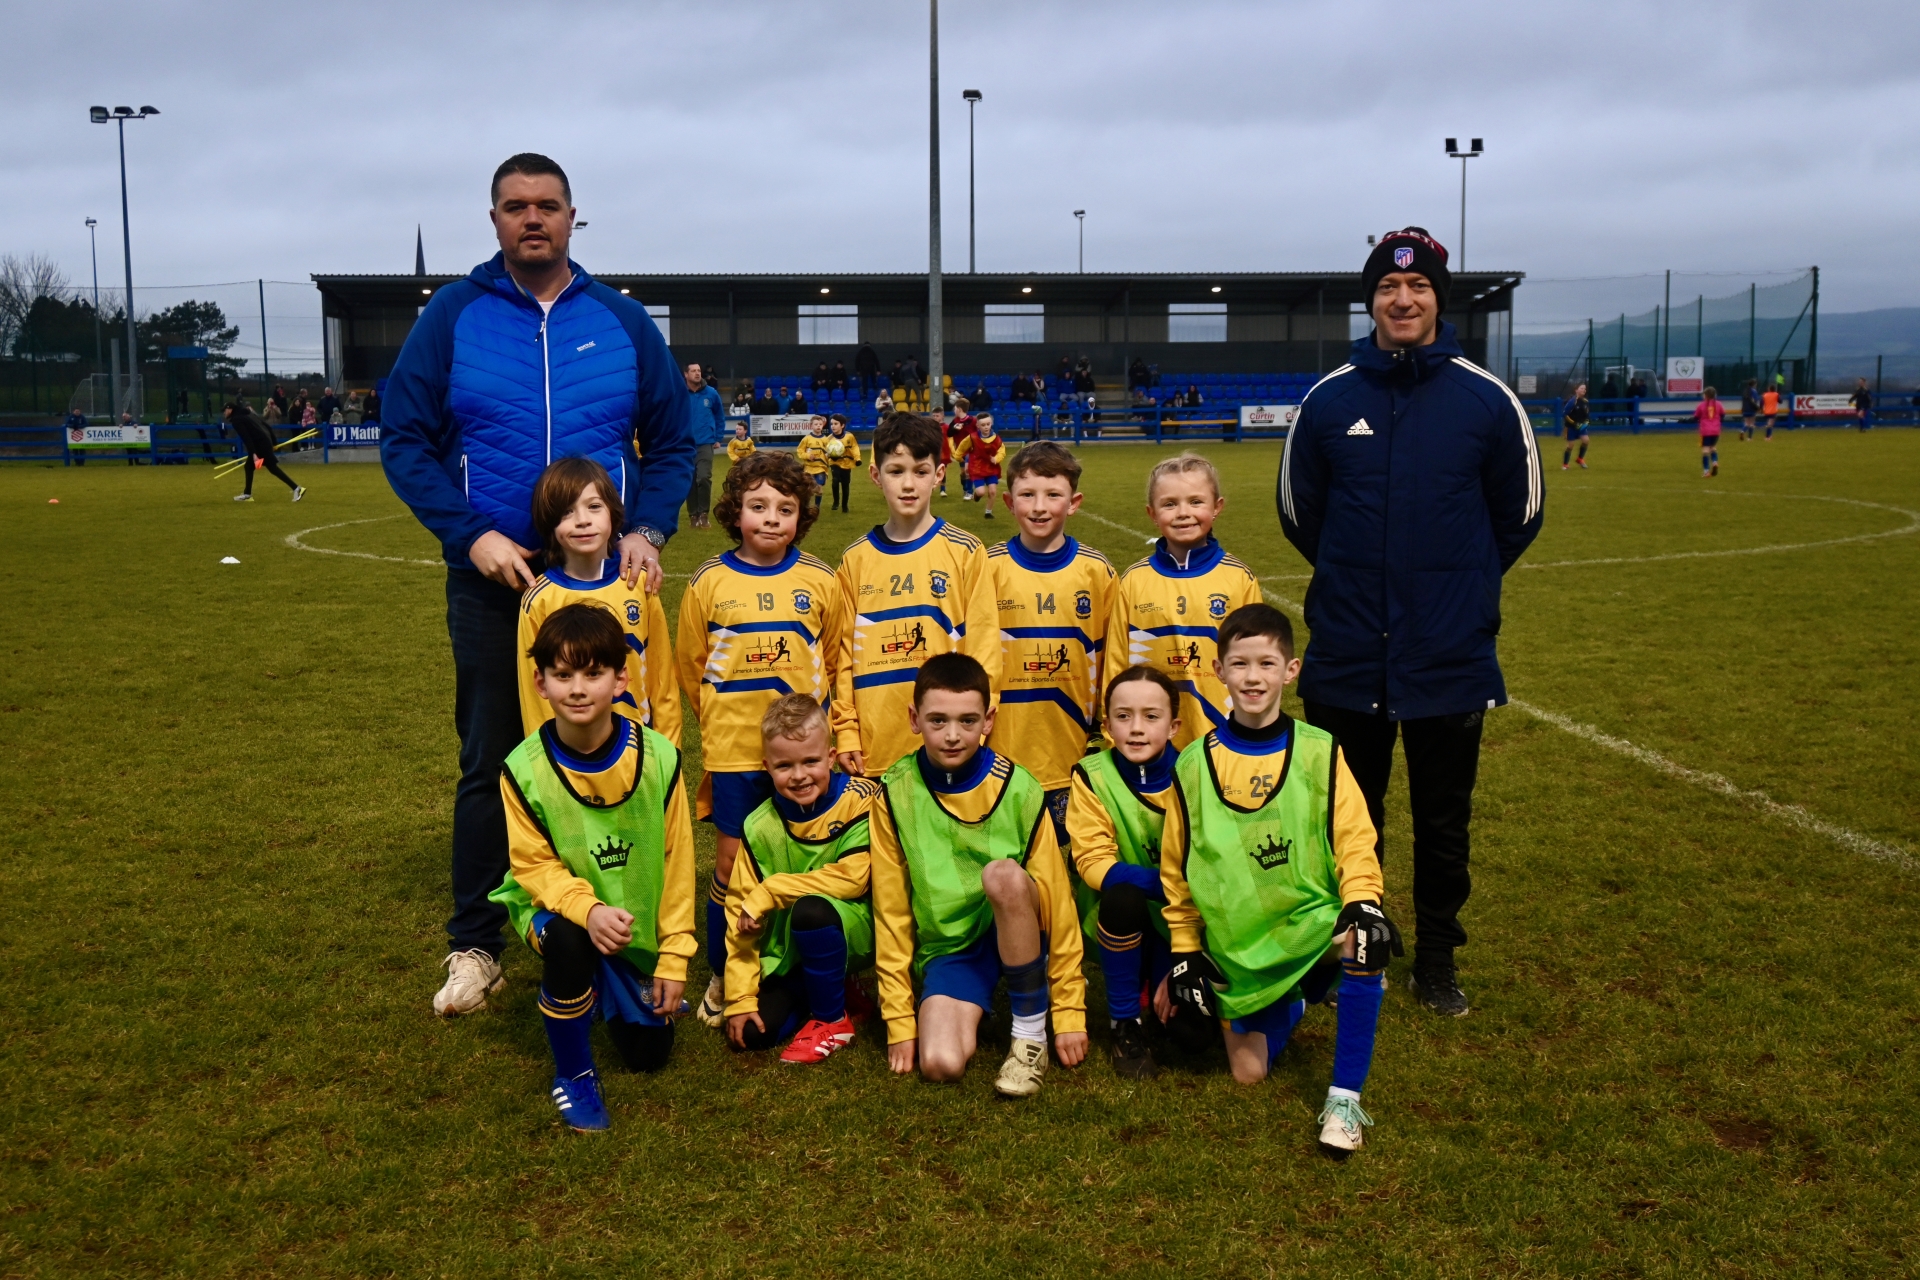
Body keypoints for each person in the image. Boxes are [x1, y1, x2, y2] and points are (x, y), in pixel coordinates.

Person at [381, 152, 693, 1016]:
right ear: (493, 220)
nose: (532, 219)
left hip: (603, 589)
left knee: (627, 754)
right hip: (495, 582)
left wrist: (648, 527)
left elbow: (671, 444)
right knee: (492, 761)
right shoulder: (453, 315)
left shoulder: (623, 320)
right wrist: (468, 532)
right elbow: (404, 437)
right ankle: (477, 945)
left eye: (547, 206)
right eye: (515, 206)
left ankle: (628, 925)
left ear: (571, 217)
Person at [1276, 225, 1542, 1018]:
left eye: (1418, 287)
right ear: (1371, 302)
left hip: (1448, 653)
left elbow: (1518, 514)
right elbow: (1300, 513)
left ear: (1437, 300)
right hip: (1351, 649)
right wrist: (1360, 575)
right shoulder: (1329, 400)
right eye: (1389, 289)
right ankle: (1358, 947)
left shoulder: (1485, 400)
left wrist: (1458, 586)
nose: (1402, 298)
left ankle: (1437, 962)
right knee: (1350, 817)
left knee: (1443, 821)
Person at [1158, 604, 1396, 1159]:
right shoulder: (1193, 764)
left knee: (1364, 937)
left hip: (1309, 920)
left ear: (1291, 671)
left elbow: (1355, 836)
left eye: (1267, 663)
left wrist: (1363, 901)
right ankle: (1295, 995)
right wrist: (1186, 949)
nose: (1253, 677)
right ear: (1219, 671)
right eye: (1239, 664)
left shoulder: (1320, 749)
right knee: (1247, 1073)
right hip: (1240, 943)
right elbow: (1177, 867)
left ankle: (1343, 1101)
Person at [488, 603, 695, 1130]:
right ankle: (575, 1075)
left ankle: (617, 976)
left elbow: (676, 864)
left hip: (628, 923)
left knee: (649, 1055)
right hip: (551, 907)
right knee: (571, 940)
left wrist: (673, 957)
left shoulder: (660, 759)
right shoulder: (522, 769)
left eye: (593, 672)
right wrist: (589, 909)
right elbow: (533, 866)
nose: (577, 688)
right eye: (562, 675)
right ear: (540, 683)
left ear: (621, 678)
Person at [870, 654, 1087, 1094]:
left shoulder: (1020, 787)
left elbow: (1059, 902)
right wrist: (898, 1018)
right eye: (938, 720)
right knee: (940, 1063)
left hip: (1022, 920)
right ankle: (974, 996)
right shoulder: (894, 792)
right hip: (953, 947)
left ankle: (1029, 1035)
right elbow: (890, 910)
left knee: (1003, 876)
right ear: (914, 718)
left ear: (988, 719)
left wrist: (1069, 1013)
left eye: (968, 720)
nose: (953, 735)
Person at [675, 451, 841, 1027]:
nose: (772, 518)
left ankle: (798, 959)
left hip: (805, 755)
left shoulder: (821, 580)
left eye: (786, 509)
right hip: (736, 753)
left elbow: (836, 659)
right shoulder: (709, 581)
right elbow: (690, 664)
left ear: (801, 517)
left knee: (802, 853)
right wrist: (721, 728)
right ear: (735, 512)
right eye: (758, 506)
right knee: (731, 861)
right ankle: (726, 968)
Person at [830, 413, 1000, 779]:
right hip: (875, 746)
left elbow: (985, 648)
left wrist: (976, 729)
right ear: (876, 476)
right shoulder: (855, 560)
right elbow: (843, 656)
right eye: (896, 471)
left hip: (950, 745)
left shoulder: (966, 552)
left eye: (921, 472)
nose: (909, 484)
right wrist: (845, 731)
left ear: (939, 474)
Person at [983, 440, 1117, 890]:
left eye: (1053, 495)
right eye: (1027, 495)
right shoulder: (987, 568)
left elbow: (1112, 655)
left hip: (1072, 747)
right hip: (1005, 745)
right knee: (1009, 859)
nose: (1039, 507)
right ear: (1008, 501)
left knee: (1076, 861)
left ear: (1074, 502)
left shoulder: (1096, 571)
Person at [723, 695, 878, 1062]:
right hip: (789, 948)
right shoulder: (759, 826)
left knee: (811, 910)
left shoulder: (861, 800)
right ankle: (829, 986)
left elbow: (855, 878)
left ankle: (832, 1019)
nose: (799, 775)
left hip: (863, 930)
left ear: (830, 757)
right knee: (751, 1034)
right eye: (784, 765)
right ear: (767, 767)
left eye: (811, 761)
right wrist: (741, 996)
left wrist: (773, 890)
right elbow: (738, 912)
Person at [1065, 666, 1183, 1078]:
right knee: (1123, 895)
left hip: (1180, 917)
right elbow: (1094, 863)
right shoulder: (1091, 774)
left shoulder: (1198, 774)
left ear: (1174, 726)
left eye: (1151, 717)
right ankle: (1123, 1022)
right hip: (1120, 912)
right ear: (1107, 723)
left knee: (1188, 1038)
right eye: (1123, 716)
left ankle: (1162, 980)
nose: (1136, 729)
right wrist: (1165, 885)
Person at [516, 458, 680, 743]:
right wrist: (548, 761)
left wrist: (669, 751)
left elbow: (662, 679)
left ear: (613, 514)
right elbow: (534, 698)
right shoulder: (539, 599)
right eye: (566, 512)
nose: (582, 520)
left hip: (640, 751)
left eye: (594, 507)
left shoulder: (639, 585)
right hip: (569, 756)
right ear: (549, 524)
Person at [1109, 453, 1261, 751]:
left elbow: (1254, 662)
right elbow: (1116, 660)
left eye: (1195, 501)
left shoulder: (1239, 579)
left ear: (1217, 507)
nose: (1183, 513)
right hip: (1149, 739)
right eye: (1169, 504)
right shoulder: (1134, 581)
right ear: (1152, 514)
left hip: (1223, 733)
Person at [224, 400, 304, 502]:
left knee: (272, 468)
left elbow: (247, 438)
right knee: (250, 467)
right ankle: (247, 494)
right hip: (263, 443)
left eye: (225, 410)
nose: (224, 413)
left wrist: (253, 454)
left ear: (230, 409)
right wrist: (273, 442)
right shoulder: (248, 414)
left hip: (260, 445)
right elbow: (266, 426)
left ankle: (297, 488)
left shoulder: (237, 420)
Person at [684, 362, 726, 530]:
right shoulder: (680, 394)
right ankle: (693, 515)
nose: (697, 373)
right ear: (686, 375)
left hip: (706, 442)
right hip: (685, 444)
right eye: (693, 371)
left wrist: (718, 437)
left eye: (699, 370)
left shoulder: (711, 393)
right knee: (690, 481)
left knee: (703, 478)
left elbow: (719, 415)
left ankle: (704, 514)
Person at [956, 412, 1007, 515]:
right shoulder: (972, 438)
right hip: (977, 468)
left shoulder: (996, 438)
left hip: (991, 468)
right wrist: (959, 457)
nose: (986, 427)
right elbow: (962, 447)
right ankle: (976, 495)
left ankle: (988, 512)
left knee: (992, 491)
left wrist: (996, 458)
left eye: (988, 424)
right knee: (981, 492)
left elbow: (1002, 450)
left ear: (991, 423)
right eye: (983, 425)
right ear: (978, 426)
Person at [940, 396, 976, 499]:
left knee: (967, 470)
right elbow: (949, 433)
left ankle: (970, 492)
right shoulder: (955, 421)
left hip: (971, 450)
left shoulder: (972, 421)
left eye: (955, 408)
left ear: (959, 409)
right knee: (963, 473)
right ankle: (966, 489)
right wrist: (955, 429)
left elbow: (977, 433)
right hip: (961, 451)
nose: (954, 410)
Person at [795, 414, 831, 512]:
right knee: (809, 489)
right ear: (811, 426)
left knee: (818, 488)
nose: (818, 426)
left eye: (820, 424)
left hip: (821, 468)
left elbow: (829, 452)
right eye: (816, 424)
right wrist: (807, 456)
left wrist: (830, 456)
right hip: (809, 468)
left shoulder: (826, 440)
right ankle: (807, 507)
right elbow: (800, 451)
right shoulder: (807, 439)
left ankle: (816, 507)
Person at [826, 413, 860, 513]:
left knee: (845, 485)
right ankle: (836, 502)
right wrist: (829, 456)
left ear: (842, 425)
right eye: (832, 424)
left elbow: (854, 448)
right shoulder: (829, 439)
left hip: (846, 464)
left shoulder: (849, 437)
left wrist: (857, 459)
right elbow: (825, 452)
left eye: (836, 424)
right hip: (834, 463)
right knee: (835, 481)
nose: (833, 426)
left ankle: (845, 506)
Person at [1694, 386, 1724, 477]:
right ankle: (1715, 462)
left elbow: (1696, 416)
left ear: (1706, 395)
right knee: (1713, 447)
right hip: (1716, 430)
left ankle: (1706, 471)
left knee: (1705, 450)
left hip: (1706, 430)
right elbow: (1723, 415)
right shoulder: (1718, 404)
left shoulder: (1701, 405)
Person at [1562, 382, 1590, 470]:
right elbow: (1565, 414)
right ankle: (1565, 464)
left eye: (1584, 389)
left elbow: (1587, 414)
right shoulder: (1572, 401)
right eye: (1581, 388)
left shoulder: (1585, 402)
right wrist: (1574, 424)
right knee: (1570, 446)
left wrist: (1586, 422)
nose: (1583, 390)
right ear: (1576, 390)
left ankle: (1580, 459)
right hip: (1571, 427)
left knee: (1586, 441)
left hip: (1581, 427)